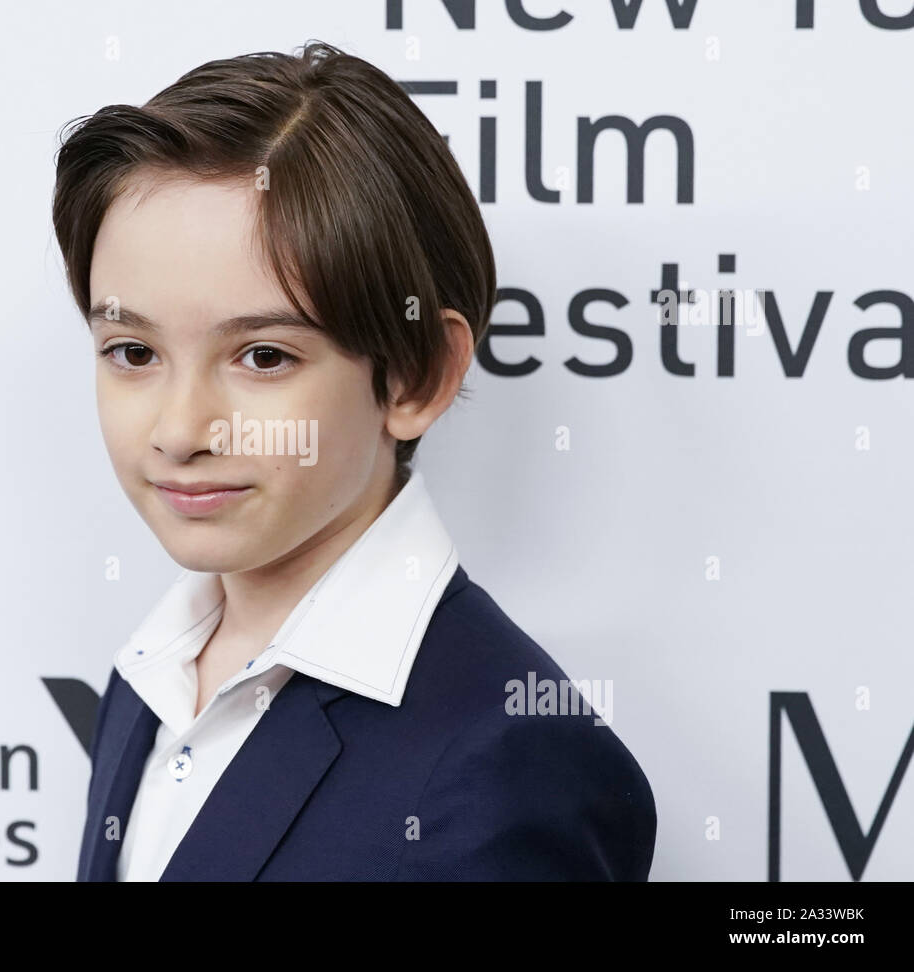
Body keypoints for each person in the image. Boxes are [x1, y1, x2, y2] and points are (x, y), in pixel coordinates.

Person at [52, 40, 656, 881]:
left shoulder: (506, 767)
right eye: (131, 351)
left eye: (263, 357)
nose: (179, 430)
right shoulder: (152, 673)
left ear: (415, 376)